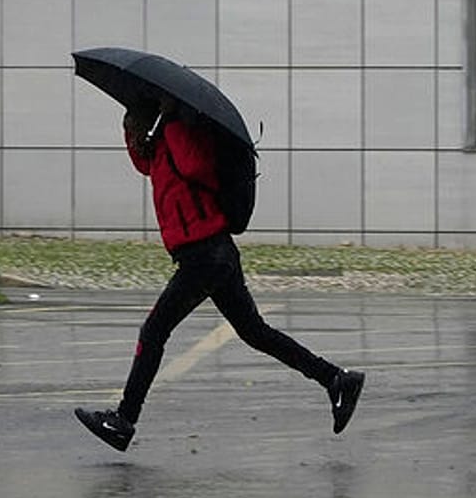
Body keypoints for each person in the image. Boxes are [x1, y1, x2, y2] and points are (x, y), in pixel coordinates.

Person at [74, 95, 364, 452]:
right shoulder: (163, 143)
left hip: (205, 254)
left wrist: (171, 122)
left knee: (153, 331)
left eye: (136, 118)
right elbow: (146, 165)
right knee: (255, 332)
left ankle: (124, 419)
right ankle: (336, 379)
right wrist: (131, 132)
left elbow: (196, 167)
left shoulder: (183, 132)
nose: (134, 124)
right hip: (209, 253)